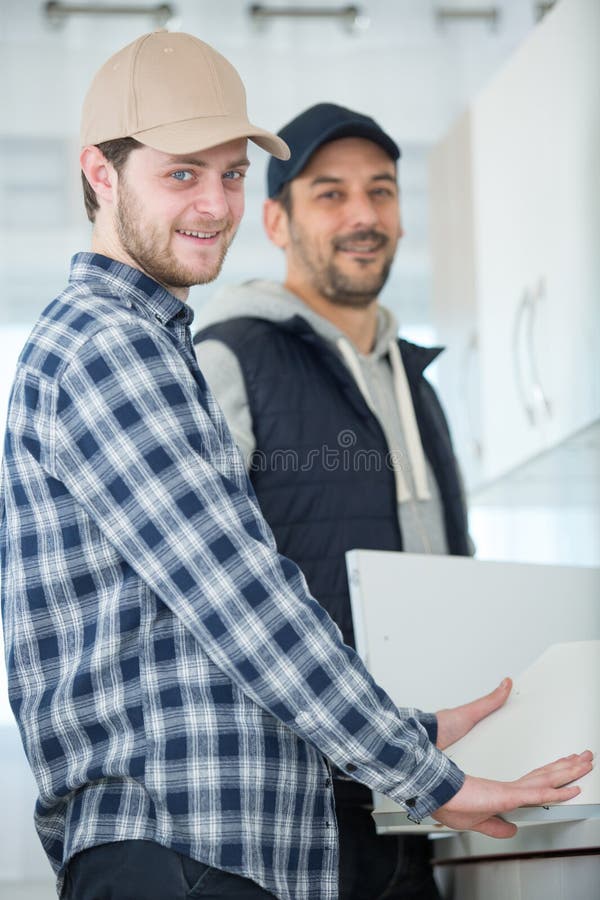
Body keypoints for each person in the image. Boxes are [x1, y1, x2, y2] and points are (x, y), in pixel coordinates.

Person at [0, 34, 591, 900]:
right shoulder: (111, 349)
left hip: (223, 843)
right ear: (100, 173)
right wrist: (431, 775)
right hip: (182, 845)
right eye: (181, 175)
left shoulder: (152, 350)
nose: (215, 204)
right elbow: (241, 596)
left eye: (231, 173)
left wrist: (417, 729)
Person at [191, 102, 587, 898]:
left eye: (382, 191)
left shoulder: (419, 387)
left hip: (424, 800)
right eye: (330, 194)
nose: (364, 215)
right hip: (293, 813)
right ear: (275, 219)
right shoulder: (228, 359)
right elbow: (209, 589)